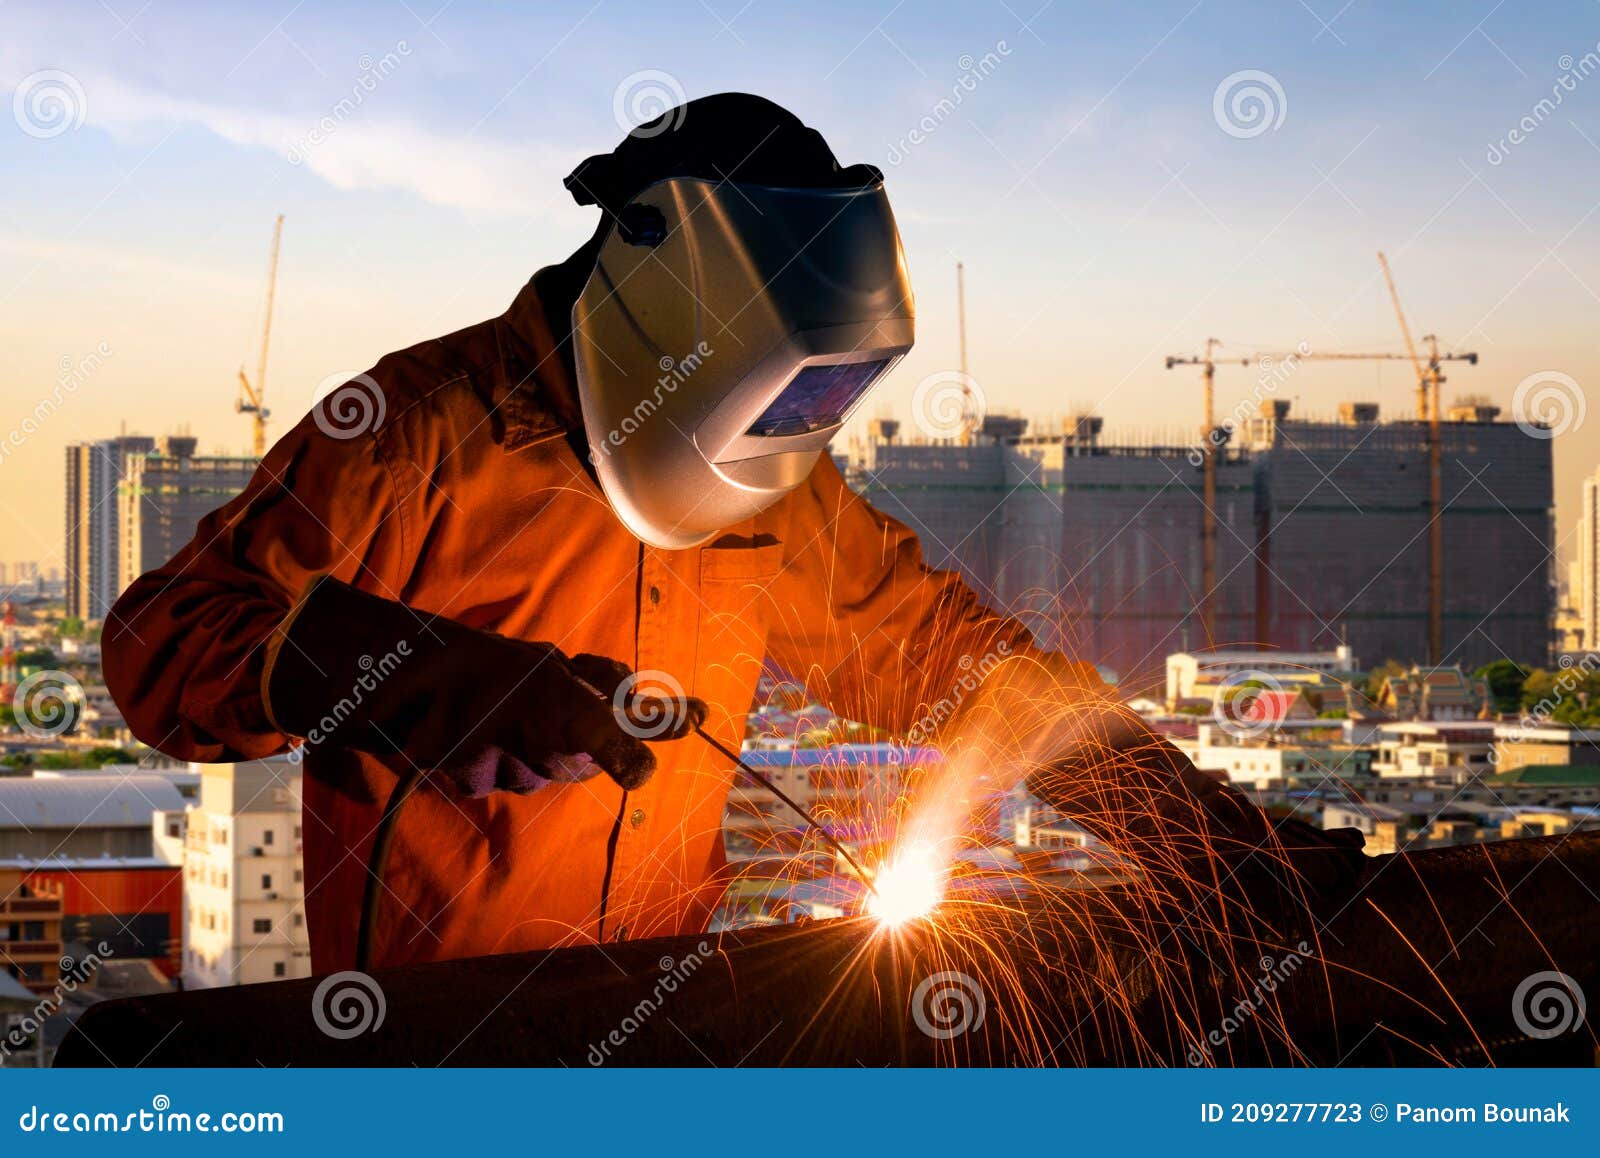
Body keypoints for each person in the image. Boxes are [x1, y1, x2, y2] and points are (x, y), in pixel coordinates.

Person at [103, 93, 1361, 975]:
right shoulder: (417, 430)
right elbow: (165, 646)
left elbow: (953, 665)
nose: (791, 430)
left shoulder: (775, 486)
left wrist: (1192, 827)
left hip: (665, 1017)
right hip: (437, 1037)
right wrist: (418, 678)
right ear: (661, 297)